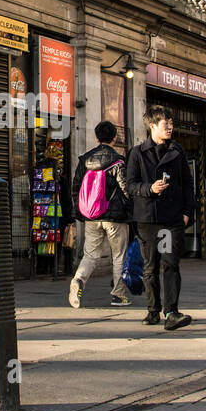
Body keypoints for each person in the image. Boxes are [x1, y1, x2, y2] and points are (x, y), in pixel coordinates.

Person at [125, 105, 196, 331]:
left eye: (172, 124)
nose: (170, 128)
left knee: (170, 264)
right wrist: (149, 189)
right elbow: (130, 185)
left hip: (171, 219)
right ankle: (152, 310)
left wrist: (187, 212)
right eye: (166, 124)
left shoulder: (177, 151)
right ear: (153, 126)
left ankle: (171, 311)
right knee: (150, 266)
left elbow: (187, 183)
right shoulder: (137, 153)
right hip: (147, 219)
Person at [68, 121, 132, 308]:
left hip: (91, 216)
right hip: (115, 218)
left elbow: (76, 188)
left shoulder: (84, 160)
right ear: (114, 138)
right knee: (118, 256)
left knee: (90, 255)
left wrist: (80, 212)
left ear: (96, 138)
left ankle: (79, 280)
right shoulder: (118, 161)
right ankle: (119, 295)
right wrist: (130, 210)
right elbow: (126, 189)